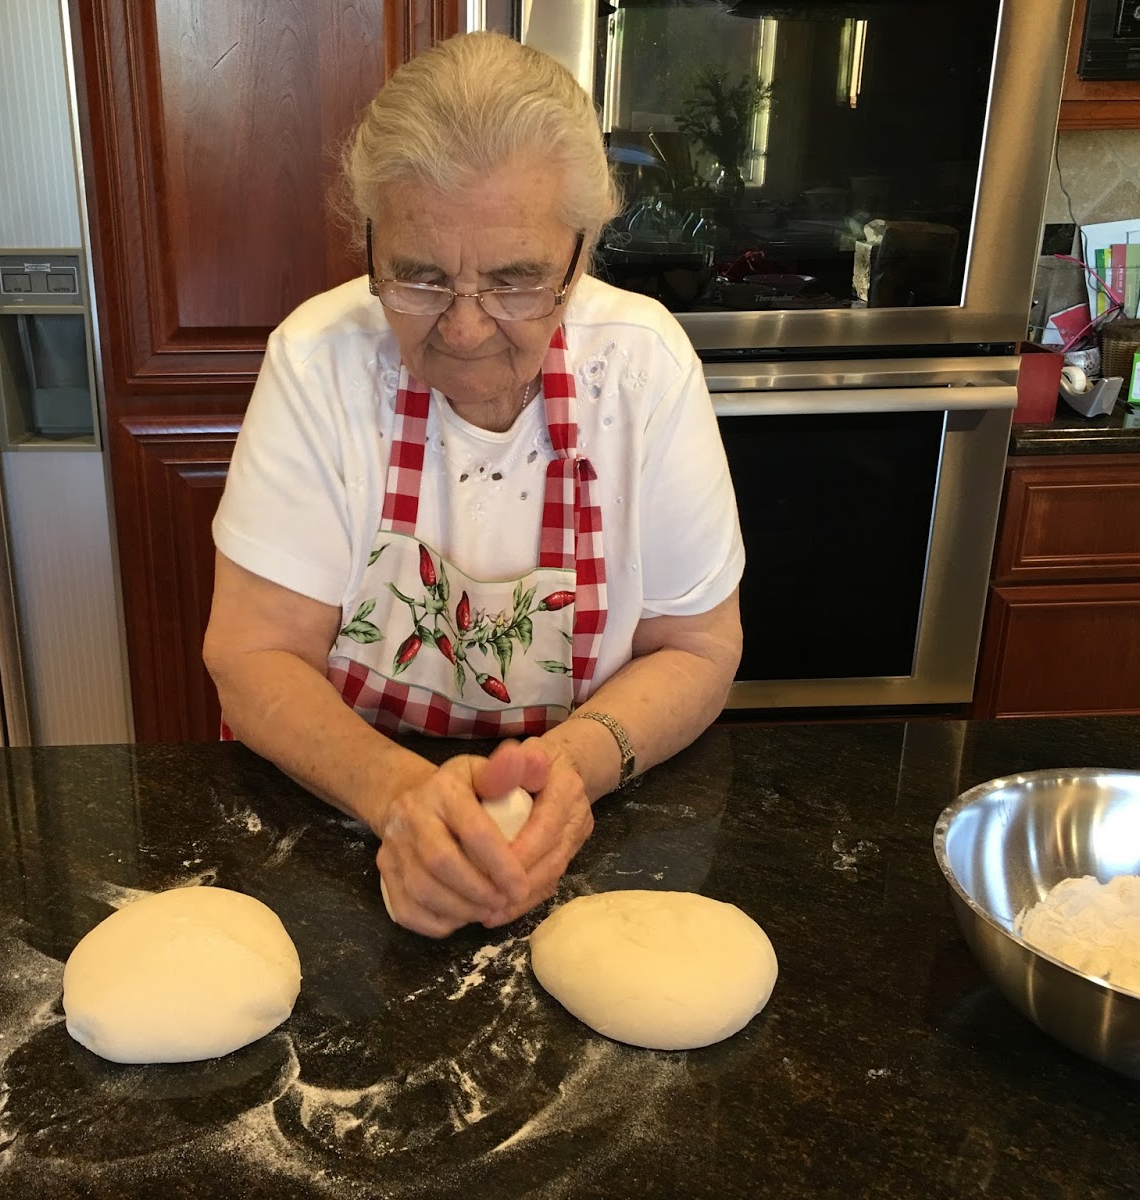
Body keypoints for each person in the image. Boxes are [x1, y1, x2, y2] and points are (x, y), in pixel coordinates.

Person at [203, 32, 743, 938]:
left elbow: (697, 647)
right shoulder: (317, 361)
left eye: (517, 280)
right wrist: (402, 797)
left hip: (585, 814)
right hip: (339, 807)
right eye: (416, 276)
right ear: (368, 237)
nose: (462, 329)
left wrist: (564, 775)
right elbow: (252, 656)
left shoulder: (643, 369)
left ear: (582, 254)